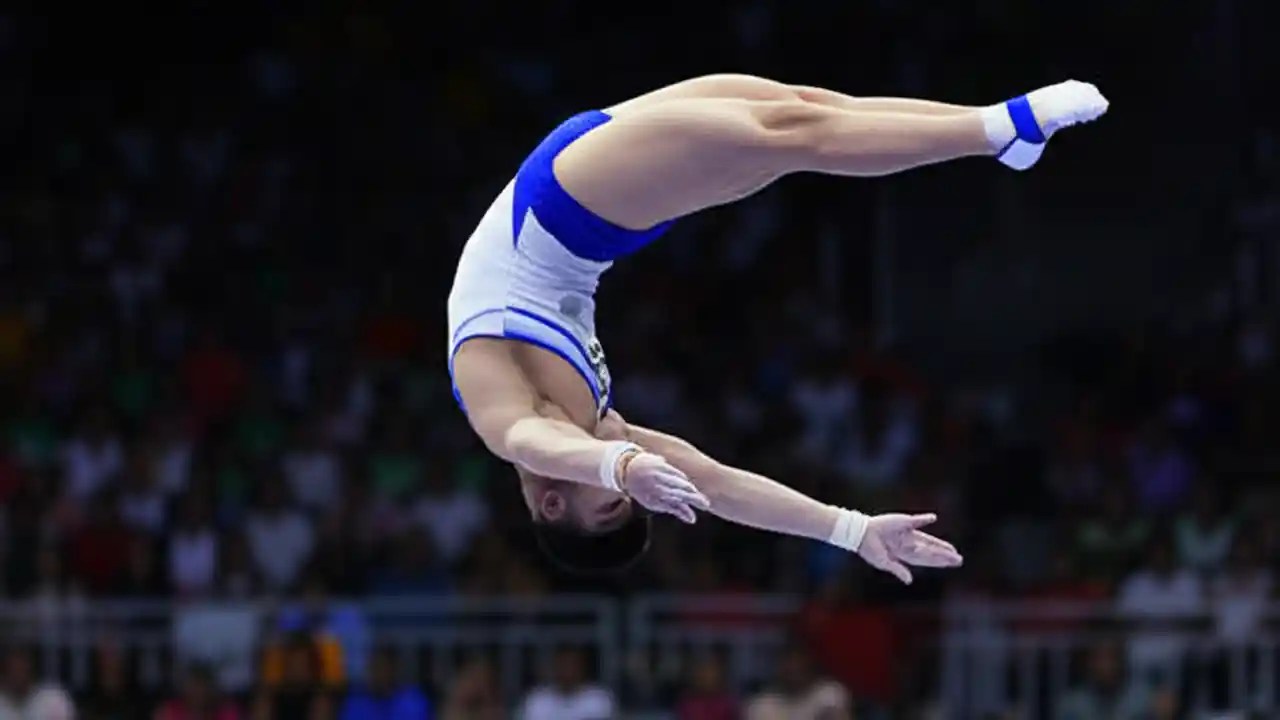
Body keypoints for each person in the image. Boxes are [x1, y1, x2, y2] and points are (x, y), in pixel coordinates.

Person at [449, 73, 1108, 576]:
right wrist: (851, 530)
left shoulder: (509, 418)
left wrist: (618, 467)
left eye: (611, 498)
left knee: (800, 113)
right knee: (792, 131)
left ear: (553, 504)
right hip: (587, 210)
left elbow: (529, 441)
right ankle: (999, 130)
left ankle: (997, 134)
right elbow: (716, 485)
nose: (630, 479)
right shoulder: (596, 428)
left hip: (557, 210)